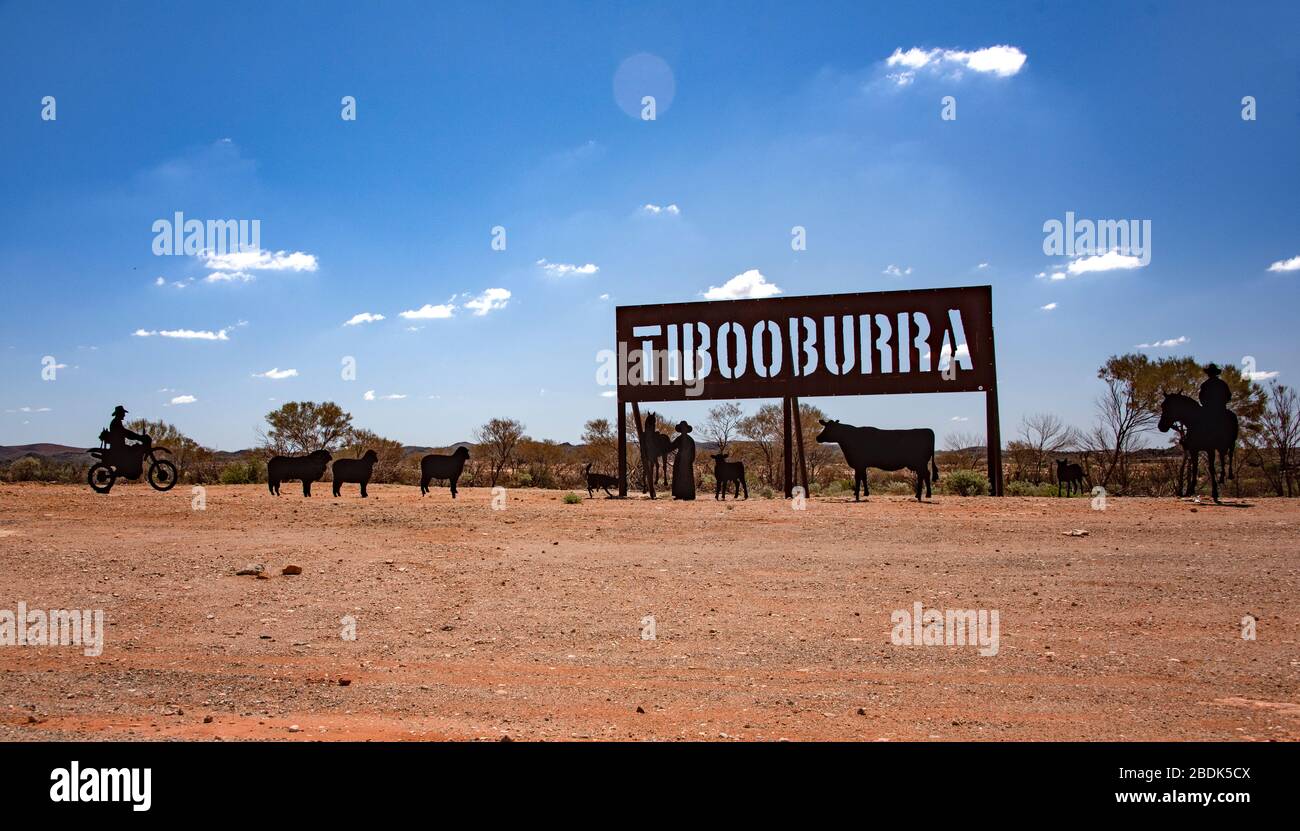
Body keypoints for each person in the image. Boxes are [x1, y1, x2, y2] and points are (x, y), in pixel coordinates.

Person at [104, 405, 147, 475]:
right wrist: (139, 437)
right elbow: (125, 433)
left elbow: (126, 433)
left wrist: (138, 437)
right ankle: (127, 469)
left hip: (119, 446)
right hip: (119, 447)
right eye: (123, 413)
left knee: (134, 448)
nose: (124, 415)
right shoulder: (116, 422)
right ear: (119, 413)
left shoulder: (116, 421)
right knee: (135, 450)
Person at [667, 420, 696, 500]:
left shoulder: (686, 439)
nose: (683, 430)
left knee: (684, 477)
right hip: (682, 460)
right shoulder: (686, 439)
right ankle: (681, 495)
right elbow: (671, 447)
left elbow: (671, 447)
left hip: (684, 460)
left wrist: (690, 460)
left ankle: (686, 495)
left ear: (686, 429)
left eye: (684, 428)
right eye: (682, 428)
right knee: (681, 477)